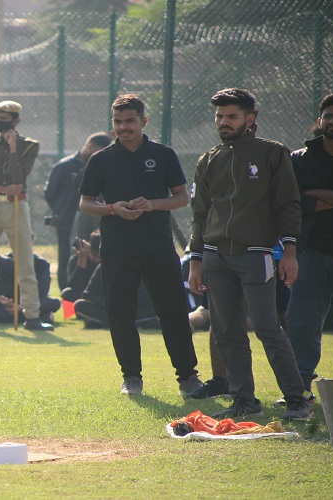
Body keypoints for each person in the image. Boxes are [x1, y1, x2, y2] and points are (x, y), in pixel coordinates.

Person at [189, 88, 312, 420]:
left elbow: (288, 204)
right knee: (227, 331)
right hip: (215, 257)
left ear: (250, 119)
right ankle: (245, 400)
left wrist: (289, 251)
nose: (224, 122)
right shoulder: (209, 158)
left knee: (267, 327)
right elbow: (199, 214)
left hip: (257, 255)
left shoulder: (272, 153)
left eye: (231, 116)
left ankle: (296, 399)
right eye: (219, 116)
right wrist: (195, 260)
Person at [79, 94, 201, 397]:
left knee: (173, 312)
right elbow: (86, 203)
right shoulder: (101, 158)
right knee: (120, 314)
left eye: (130, 120)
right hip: (117, 249)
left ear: (143, 121)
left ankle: (188, 377)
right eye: (118, 121)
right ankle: (131, 378)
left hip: (159, 247)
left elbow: (182, 197)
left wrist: (152, 204)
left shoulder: (162, 154)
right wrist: (112, 209)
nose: (124, 127)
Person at [0, 100, 51, 331]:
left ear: (17, 120)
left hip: (17, 207)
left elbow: (19, 178)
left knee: (25, 262)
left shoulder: (29, 145)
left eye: (5, 119)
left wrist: (13, 148)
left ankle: (32, 317)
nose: (0, 123)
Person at [283, 93, 333, 407]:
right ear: (320, 121)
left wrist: (317, 197)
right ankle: (298, 390)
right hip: (311, 253)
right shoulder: (300, 158)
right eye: (329, 115)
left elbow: (309, 200)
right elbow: (294, 202)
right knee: (302, 323)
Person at [44, 132, 111, 289]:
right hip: (66, 219)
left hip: (91, 218)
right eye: (99, 151)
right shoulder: (64, 166)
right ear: (90, 147)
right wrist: (60, 212)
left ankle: (89, 294)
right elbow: (50, 194)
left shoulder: (103, 167)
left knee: (93, 256)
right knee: (66, 257)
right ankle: (67, 297)